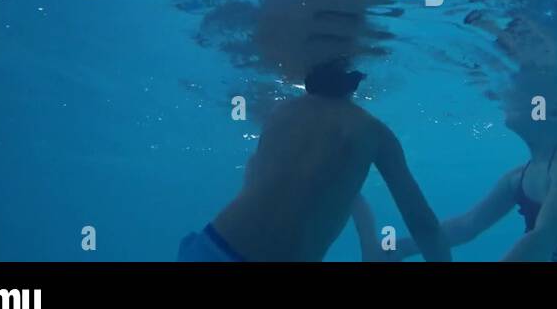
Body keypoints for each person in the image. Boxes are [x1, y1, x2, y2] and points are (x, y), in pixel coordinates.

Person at [178, 58, 451, 262]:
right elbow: (421, 222)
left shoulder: (281, 111)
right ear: (354, 83)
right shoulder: (373, 131)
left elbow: (255, 179)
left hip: (213, 245)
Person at [383, 71, 557, 262]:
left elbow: (543, 237)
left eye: (523, 94)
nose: (508, 96)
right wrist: (399, 248)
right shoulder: (519, 177)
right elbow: (466, 226)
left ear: (552, 113)